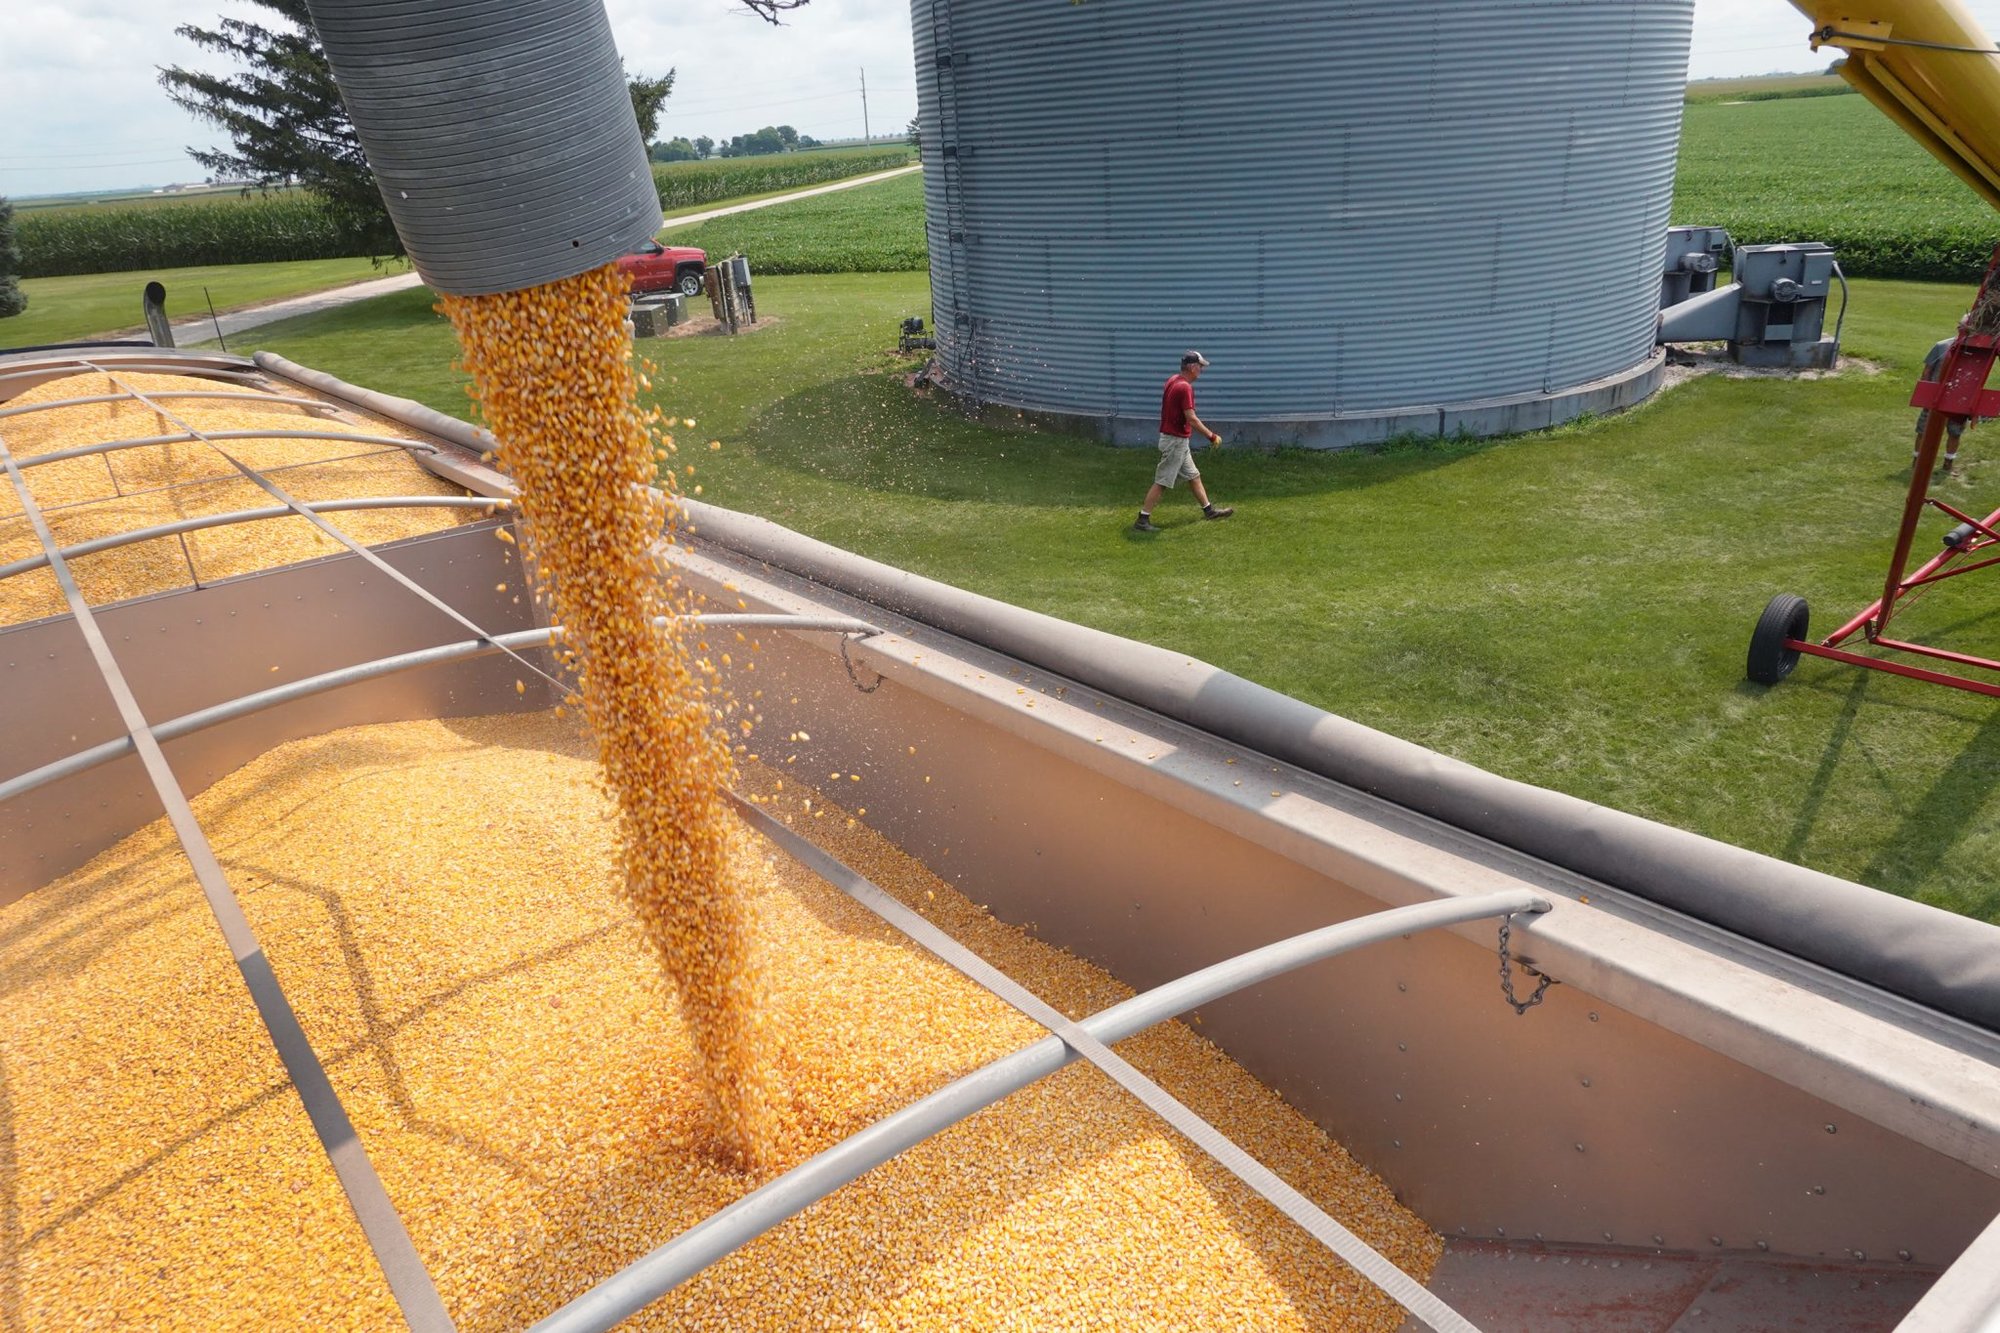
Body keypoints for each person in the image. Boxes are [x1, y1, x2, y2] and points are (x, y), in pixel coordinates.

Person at [1136, 350, 1233, 531]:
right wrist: (1211, 436)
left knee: (1193, 476)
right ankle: (1142, 519)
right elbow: (1191, 418)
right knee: (1163, 481)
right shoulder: (1185, 388)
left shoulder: (1173, 380)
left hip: (1176, 440)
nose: (1201, 370)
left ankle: (1209, 511)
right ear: (1191, 367)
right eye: (1200, 367)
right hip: (1175, 441)